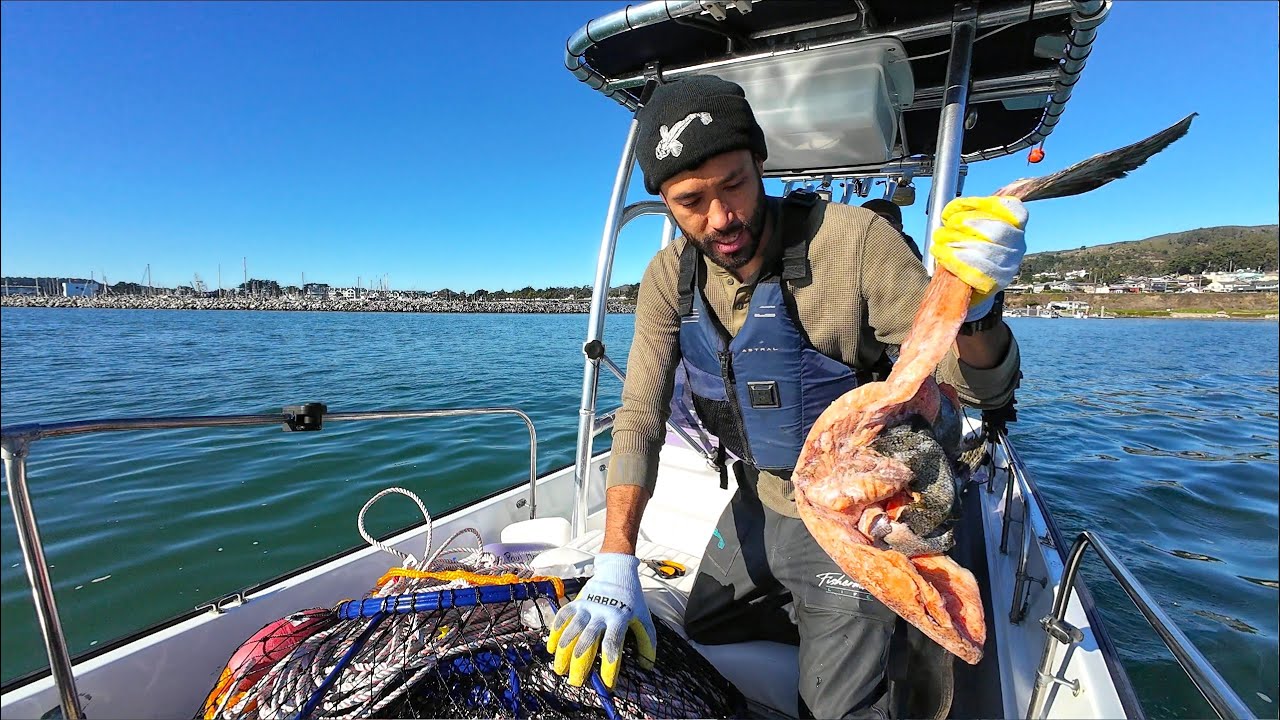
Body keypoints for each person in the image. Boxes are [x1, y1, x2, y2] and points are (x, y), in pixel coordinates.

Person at [547, 75, 1025, 718]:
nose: (720, 219)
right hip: (761, 493)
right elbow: (640, 415)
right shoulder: (668, 278)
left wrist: (977, 308)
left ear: (761, 163)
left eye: (735, 184)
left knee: (835, 709)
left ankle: (861, 624)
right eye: (691, 201)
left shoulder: (855, 245)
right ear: (665, 202)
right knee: (702, 631)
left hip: (859, 519)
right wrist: (614, 560)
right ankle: (830, 616)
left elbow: (974, 388)